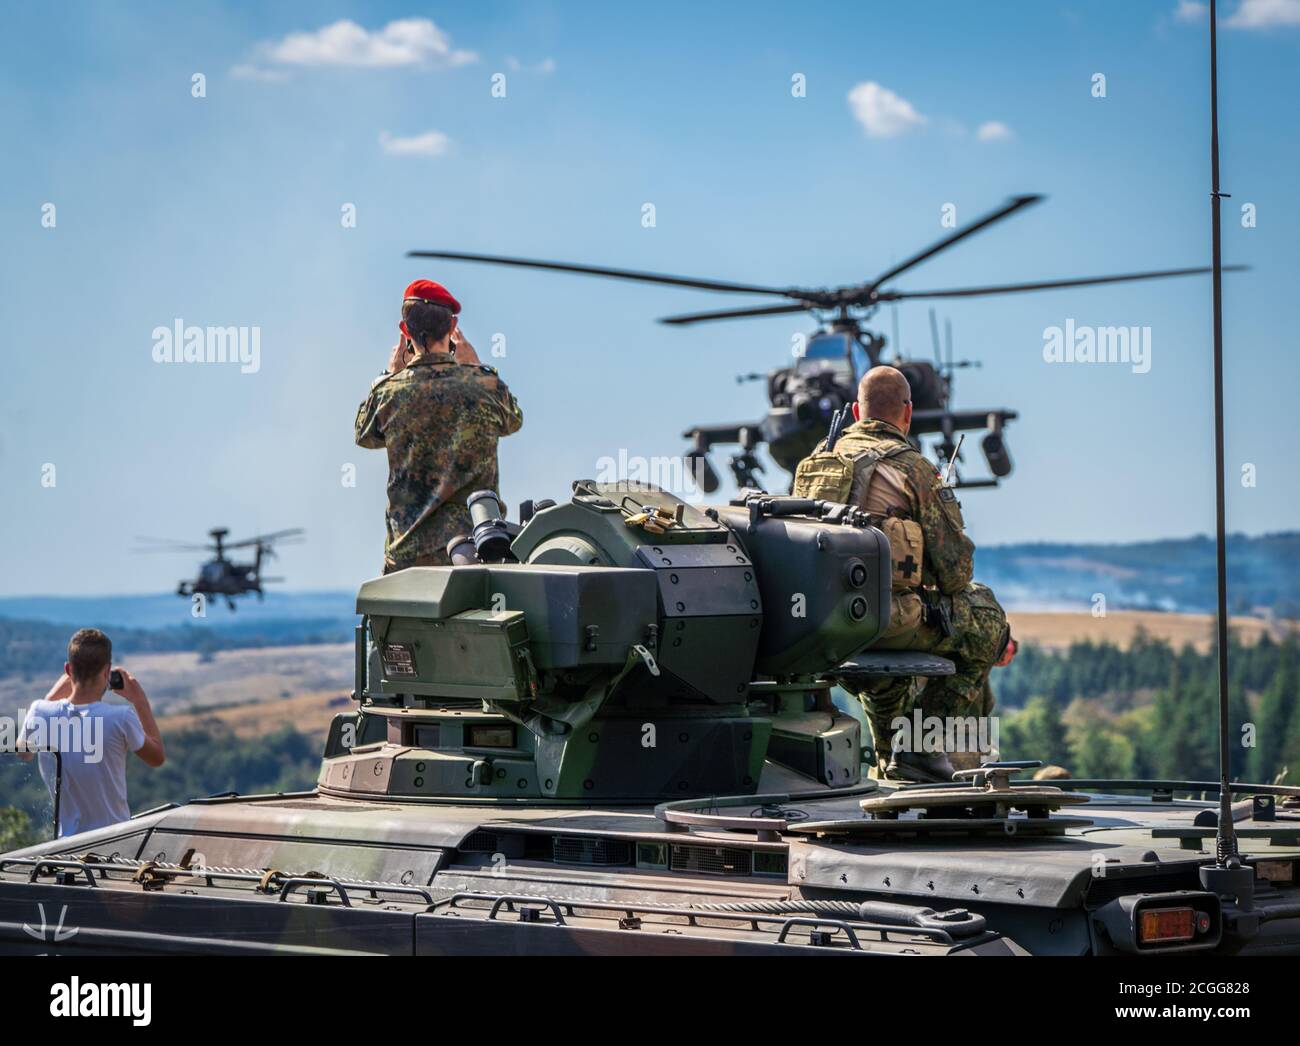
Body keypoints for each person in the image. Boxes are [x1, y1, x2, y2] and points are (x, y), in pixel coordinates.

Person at [792, 365, 1012, 781]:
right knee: (986, 621)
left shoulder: (812, 466)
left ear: (856, 411)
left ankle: (890, 761)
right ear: (908, 414)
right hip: (881, 620)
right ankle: (921, 751)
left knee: (888, 679)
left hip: (815, 627)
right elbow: (956, 574)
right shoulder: (914, 469)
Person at [355, 279, 523, 573]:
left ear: (405, 331)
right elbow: (513, 420)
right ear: (452, 326)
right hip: (476, 552)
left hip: (409, 560)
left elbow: (364, 435)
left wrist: (388, 375)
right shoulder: (485, 387)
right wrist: (475, 368)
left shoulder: (389, 394)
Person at [19, 628, 165, 837]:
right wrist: (140, 701)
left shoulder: (40, 712)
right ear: (107, 672)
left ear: (68, 670)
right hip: (114, 845)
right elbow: (157, 757)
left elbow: (23, 754)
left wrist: (51, 696)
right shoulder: (120, 717)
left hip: (64, 849)